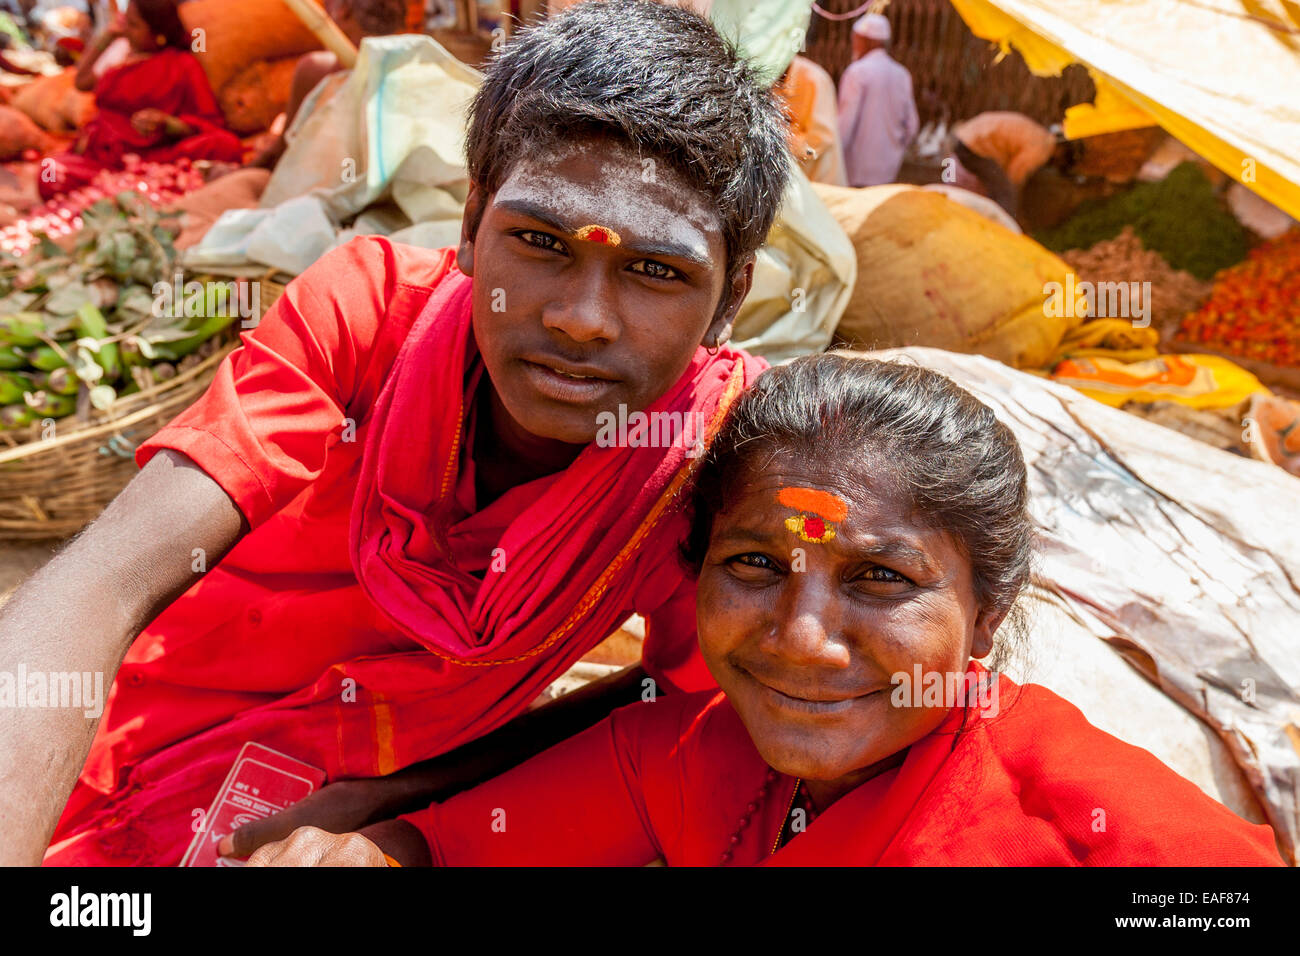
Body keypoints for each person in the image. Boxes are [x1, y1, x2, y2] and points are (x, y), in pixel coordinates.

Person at [0, 0, 789, 867]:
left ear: (731, 298)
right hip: (133, 721)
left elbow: (680, 699)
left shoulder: (709, 459)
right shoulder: (370, 317)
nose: (580, 319)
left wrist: (396, 810)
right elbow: (102, 584)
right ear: (468, 225)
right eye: (538, 241)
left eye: (654, 270)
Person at [247, 355, 1285, 866]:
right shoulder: (697, 757)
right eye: (755, 562)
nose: (800, 636)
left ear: (987, 610)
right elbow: (443, 844)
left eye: (882, 578)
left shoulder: (1114, 832)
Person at [37, 0, 244, 199]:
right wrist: (107, 37)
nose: (125, 29)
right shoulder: (121, 53)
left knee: (226, 145)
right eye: (125, 21)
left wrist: (169, 124)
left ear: (157, 33)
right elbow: (82, 82)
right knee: (49, 171)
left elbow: (211, 123)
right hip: (104, 161)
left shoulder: (182, 64)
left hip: (160, 156)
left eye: (134, 25)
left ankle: (128, 188)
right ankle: (136, 188)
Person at [247, 0, 409, 171]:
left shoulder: (316, 69)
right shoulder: (417, 65)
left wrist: (238, 170)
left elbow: (282, 153)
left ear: (343, 10)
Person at [836, 13, 918, 188]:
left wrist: (833, 159)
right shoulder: (902, 74)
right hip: (888, 171)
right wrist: (895, 150)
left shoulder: (857, 72)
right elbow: (912, 126)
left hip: (856, 172)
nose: (854, 45)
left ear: (867, 41)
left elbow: (845, 125)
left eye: (856, 40)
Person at [949, 111, 1063, 218]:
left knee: (998, 188)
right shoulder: (1042, 148)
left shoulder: (1039, 133)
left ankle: (984, 220)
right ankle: (1000, 229)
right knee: (1006, 193)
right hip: (974, 146)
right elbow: (1015, 173)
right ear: (1060, 150)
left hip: (967, 137)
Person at [774, 53, 846, 187]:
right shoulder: (769, 79)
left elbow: (819, 139)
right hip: (793, 184)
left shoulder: (814, 79)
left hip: (820, 182)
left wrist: (778, 141)